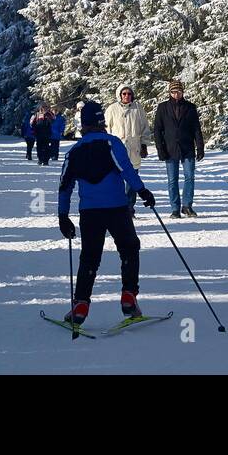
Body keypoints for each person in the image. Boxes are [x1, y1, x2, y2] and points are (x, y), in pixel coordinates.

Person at [57, 101, 156, 326]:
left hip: (90, 211)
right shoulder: (112, 143)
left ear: (83, 125)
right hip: (116, 208)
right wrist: (142, 191)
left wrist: (63, 216)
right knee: (129, 248)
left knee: (90, 257)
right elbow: (126, 169)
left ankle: (81, 304)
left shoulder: (74, 152)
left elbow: (65, 186)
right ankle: (129, 296)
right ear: (102, 122)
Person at [152, 80, 205, 218]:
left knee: (189, 177)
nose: (176, 94)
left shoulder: (190, 107)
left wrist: (200, 147)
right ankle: (175, 208)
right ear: (170, 93)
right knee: (172, 180)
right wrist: (160, 149)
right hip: (170, 149)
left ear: (183, 92)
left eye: (179, 92)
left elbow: (196, 129)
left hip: (187, 147)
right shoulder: (163, 107)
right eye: (174, 92)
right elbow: (157, 129)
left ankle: (187, 206)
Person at [105, 85, 150, 216]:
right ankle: (117, 206)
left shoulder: (138, 108)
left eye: (129, 94)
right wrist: (107, 146)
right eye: (124, 93)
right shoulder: (112, 109)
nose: (126, 96)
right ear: (119, 95)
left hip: (134, 149)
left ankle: (129, 207)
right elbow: (106, 129)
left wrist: (144, 145)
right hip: (117, 149)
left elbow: (144, 128)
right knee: (116, 179)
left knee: (132, 179)